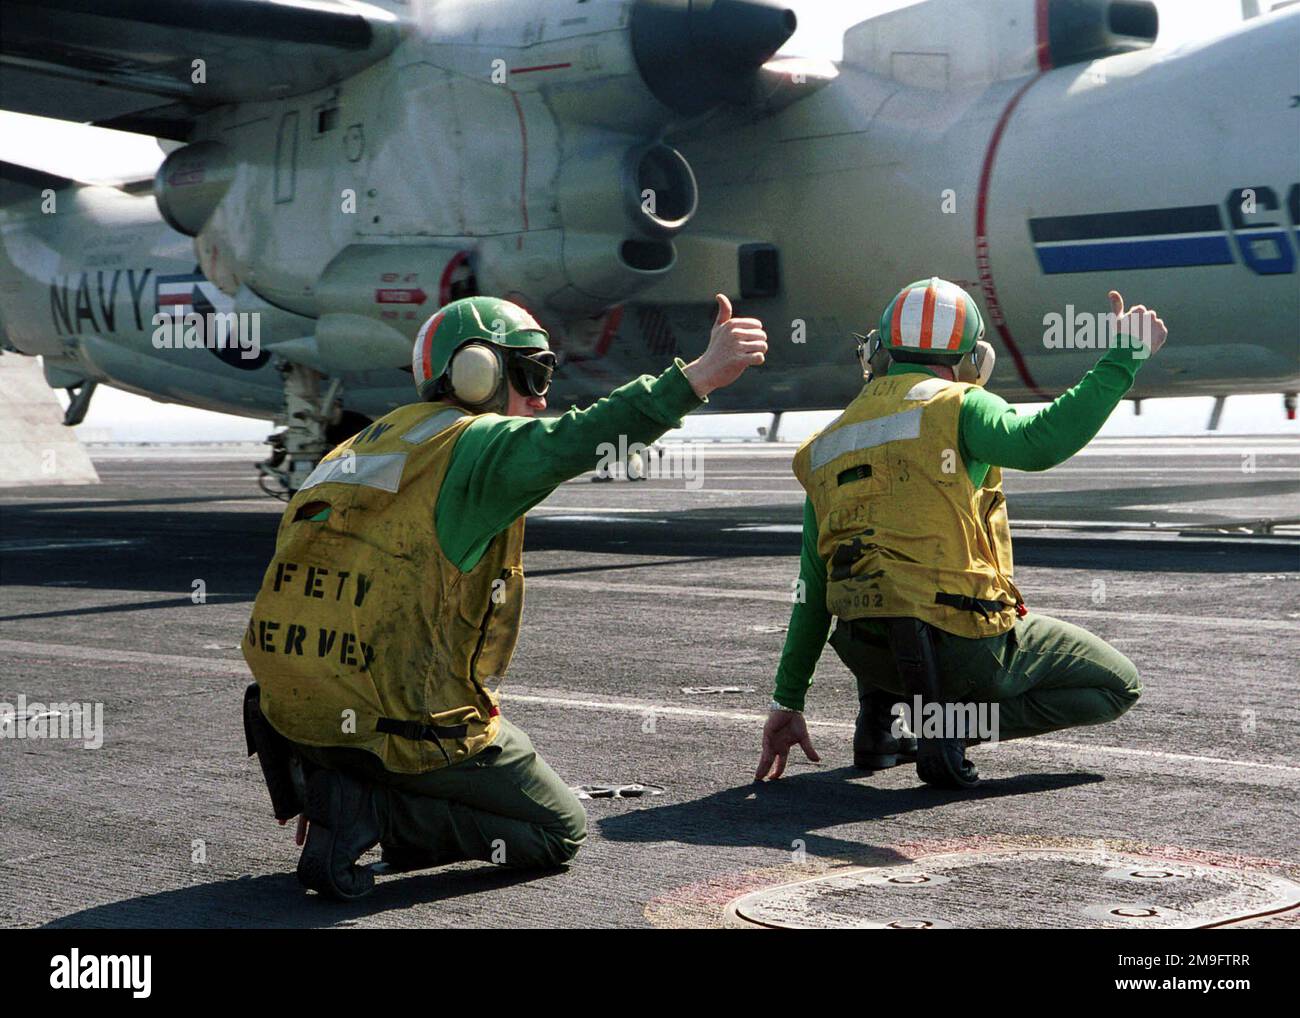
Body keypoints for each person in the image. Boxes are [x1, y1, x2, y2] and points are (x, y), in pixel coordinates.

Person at [242, 293, 767, 898]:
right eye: (532, 372)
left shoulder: (355, 448)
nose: (542, 396)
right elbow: (583, 438)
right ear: (477, 372)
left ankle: (342, 784)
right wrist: (701, 375)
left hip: (294, 712)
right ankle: (374, 810)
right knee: (557, 829)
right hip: (399, 721)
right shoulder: (473, 444)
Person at [755, 280, 1163, 788]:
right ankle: (946, 730)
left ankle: (881, 728)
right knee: (1117, 685)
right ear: (976, 360)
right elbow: (1040, 444)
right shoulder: (961, 404)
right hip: (961, 648)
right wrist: (1124, 357)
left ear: (878, 353)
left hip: (870, 652)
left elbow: (811, 592)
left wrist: (788, 701)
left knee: (873, 562)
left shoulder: (825, 443)